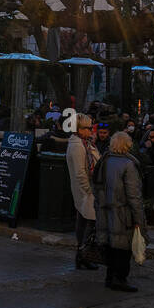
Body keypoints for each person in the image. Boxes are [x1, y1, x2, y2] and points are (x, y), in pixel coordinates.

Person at [93, 131, 145, 292]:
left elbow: (95, 185)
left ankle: (110, 277)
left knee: (110, 244)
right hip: (122, 213)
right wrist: (139, 218)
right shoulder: (129, 165)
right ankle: (119, 278)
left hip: (104, 210)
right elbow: (133, 195)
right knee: (123, 247)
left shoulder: (104, 160)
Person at [65, 114, 100, 271]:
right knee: (88, 222)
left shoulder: (84, 143)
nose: (91, 130)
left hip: (86, 190)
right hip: (85, 191)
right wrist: (88, 189)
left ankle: (82, 255)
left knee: (84, 221)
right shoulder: (78, 146)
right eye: (88, 128)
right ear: (80, 129)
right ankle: (83, 254)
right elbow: (80, 172)